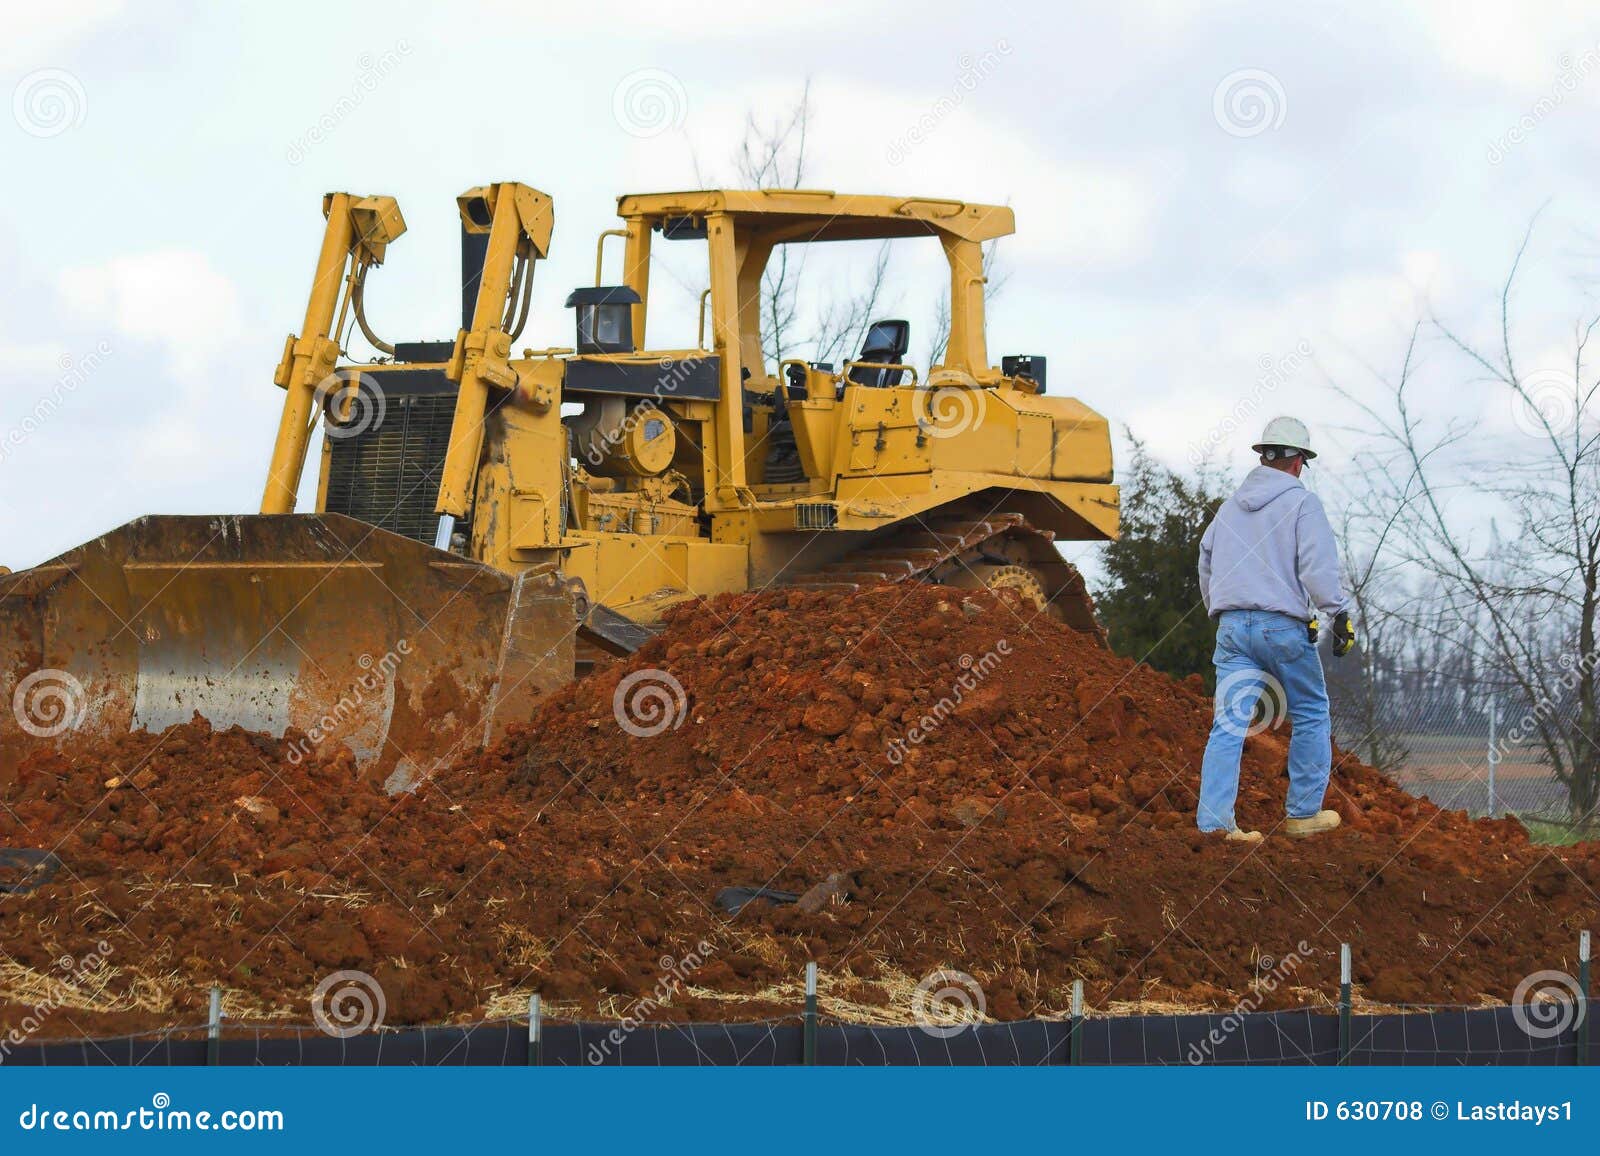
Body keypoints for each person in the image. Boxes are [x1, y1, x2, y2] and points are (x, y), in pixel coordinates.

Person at [1195, 416, 1354, 843]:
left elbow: (1205, 561)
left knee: (1228, 724)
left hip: (1231, 629)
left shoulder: (1229, 509)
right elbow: (1316, 567)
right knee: (1310, 710)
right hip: (1281, 628)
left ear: (1263, 457)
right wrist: (1337, 613)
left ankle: (1213, 826)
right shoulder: (1303, 504)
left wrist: (1222, 611)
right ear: (1299, 461)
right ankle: (1302, 815)